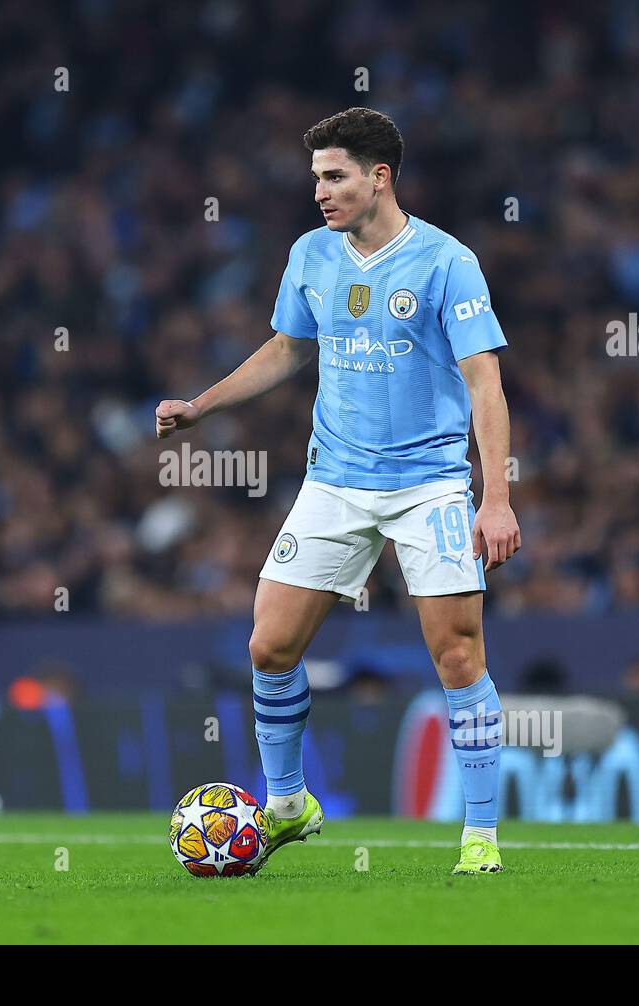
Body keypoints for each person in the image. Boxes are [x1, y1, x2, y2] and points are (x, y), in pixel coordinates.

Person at [155, 107, 521, 875]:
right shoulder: (311, 255)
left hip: (428, 486)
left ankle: (481, 835)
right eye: (316, 177)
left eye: (334, 175)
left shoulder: (447, 262)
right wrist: (202, 404)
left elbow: (485, 385)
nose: (319, 191)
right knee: (269, 643)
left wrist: (495, 497)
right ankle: (287, 802)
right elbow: (288, 347)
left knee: (457, 655)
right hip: (336, 480)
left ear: (378, 176)